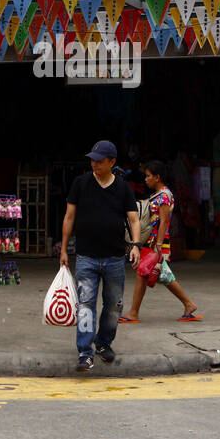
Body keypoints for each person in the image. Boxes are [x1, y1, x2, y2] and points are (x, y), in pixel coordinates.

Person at [61, 140, 142, 372]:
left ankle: (104, 342)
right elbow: (69, 217)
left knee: (114, 304)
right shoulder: (81, 183)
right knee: (85, 304)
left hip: (115, 258)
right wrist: (65, 249)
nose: (94, 164)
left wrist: (135, 245)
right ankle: (85, 352)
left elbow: (134, 218)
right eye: (92, 160)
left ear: (112, 162)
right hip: (86, 256)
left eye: (99, 160)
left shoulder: (123, 188)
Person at [119, 160, 201, 323]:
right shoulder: (160, 194)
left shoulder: (164, 195)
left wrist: (158, 246)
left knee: (150, 274)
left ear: (157, 177)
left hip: (157, 243)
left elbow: (164, 222)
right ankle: (188, 304)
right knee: (161, 275)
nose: (145, 179)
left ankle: (134, 313)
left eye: (148, 176)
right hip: (153, 242)